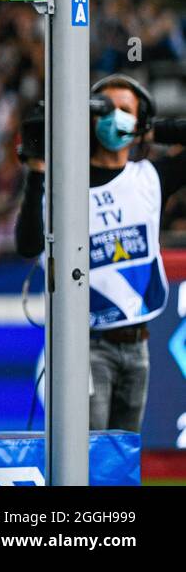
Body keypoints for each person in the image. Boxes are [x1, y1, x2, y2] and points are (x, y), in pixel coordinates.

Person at [15, 74, 176, 433]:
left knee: (123, 457)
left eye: (125, 110)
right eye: (104, 109)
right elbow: (27, 244)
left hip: (138, 346)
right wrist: (37, 171)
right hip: (86, 346)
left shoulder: (148, 178)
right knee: (91, 454)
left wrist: (151, 131)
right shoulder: (63, 183)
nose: (113, 117)